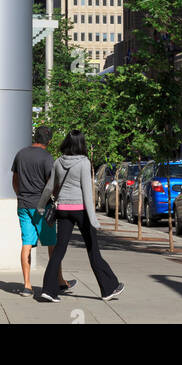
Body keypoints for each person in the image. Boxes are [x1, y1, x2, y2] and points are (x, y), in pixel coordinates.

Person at [38, 129, 124, 303]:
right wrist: (93, 219)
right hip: (80, 211)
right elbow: (87, 192)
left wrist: (40, 206)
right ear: (81, 143)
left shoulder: (58, 162)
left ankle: (48, 289)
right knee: (93, 251)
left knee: (59, 251)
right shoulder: (84, 163)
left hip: (62, 209)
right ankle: (108, 288)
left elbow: (49, 187)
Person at [11, 126, 70, 297]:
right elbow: (52, 185)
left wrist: (21, 196)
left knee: (26, 244)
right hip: (43, 206)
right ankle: (58, 280)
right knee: (52, 245)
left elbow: (15, 180)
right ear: (49, 141)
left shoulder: (20, 154)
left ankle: (27, 285)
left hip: (23, 205)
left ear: (34, 137)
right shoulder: (47, 158)